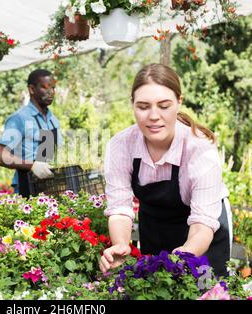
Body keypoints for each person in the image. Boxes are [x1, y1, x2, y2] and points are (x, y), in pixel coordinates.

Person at [99, 63, 232, 277]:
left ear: (179, 103)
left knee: (206, 288)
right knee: (155, 286)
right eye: (143, 106)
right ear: (132, 104)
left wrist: (183, 256)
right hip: (155, 225)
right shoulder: (121, 145)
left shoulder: (200, 150)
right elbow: (120, 209)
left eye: (164, 105)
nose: (153, 116)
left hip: (205, 232)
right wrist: (121, 244)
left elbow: (202, 225)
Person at [0, 69, 62, 197]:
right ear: (31, 89)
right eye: (45, 88)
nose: (51, 92)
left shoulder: (53, 120)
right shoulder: (19, 119)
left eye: (53, 88)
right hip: (27, 190)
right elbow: (0, 156)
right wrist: (32, 166)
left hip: (51, 190)